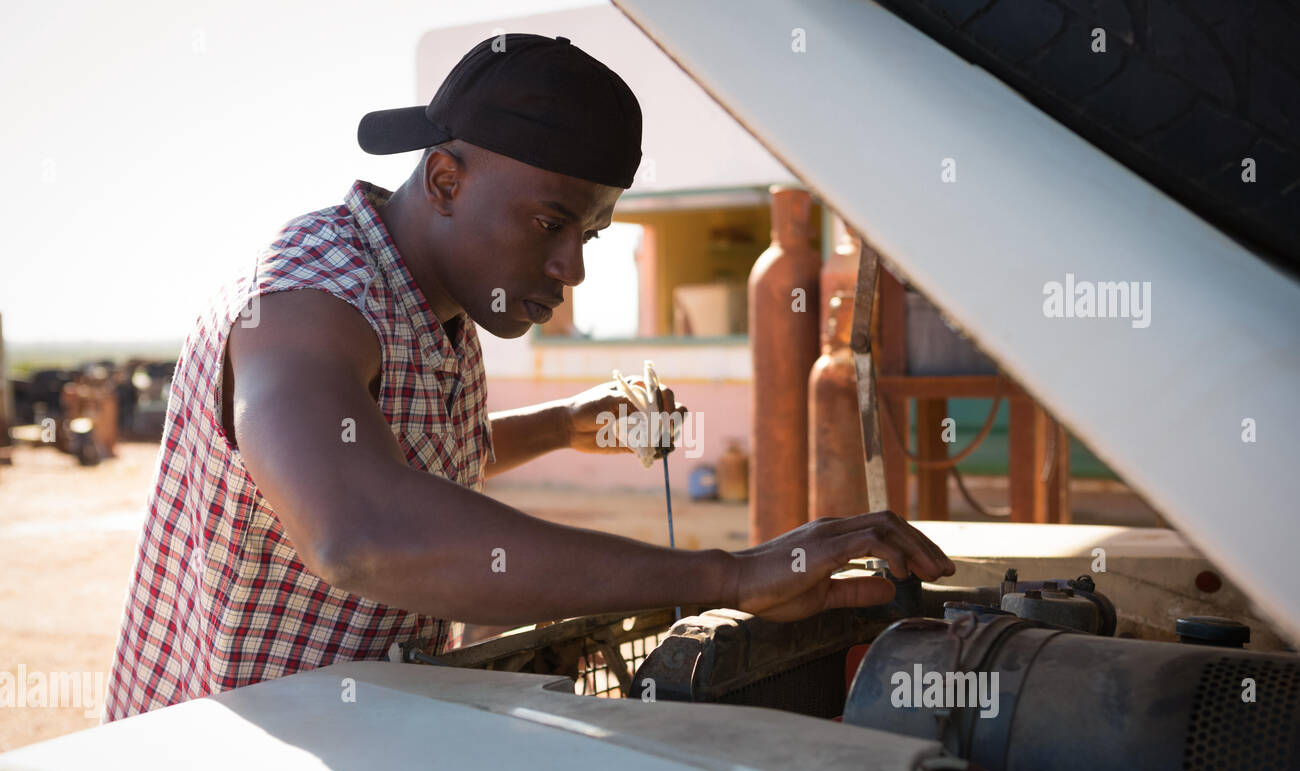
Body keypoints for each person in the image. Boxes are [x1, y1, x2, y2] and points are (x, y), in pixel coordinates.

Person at [102, 33, 954, 722]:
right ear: (445, 180)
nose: (571, 267)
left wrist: (561, 424)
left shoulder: (438, 303)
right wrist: (727, 576)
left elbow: (394, 460)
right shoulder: (309, 298)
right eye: (551, 222)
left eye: (591, 232)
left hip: (352, 733)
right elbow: (357, 529)